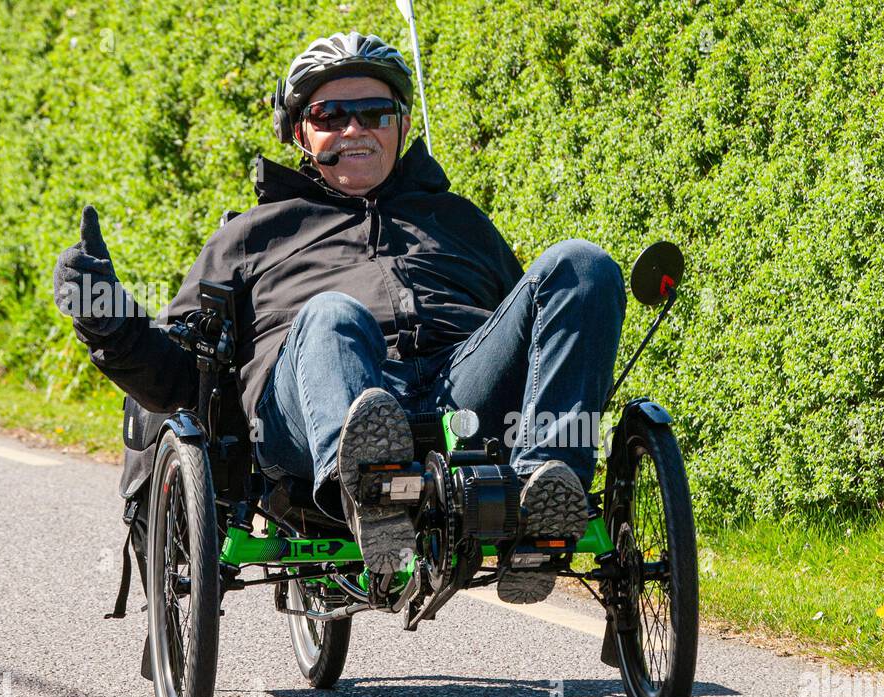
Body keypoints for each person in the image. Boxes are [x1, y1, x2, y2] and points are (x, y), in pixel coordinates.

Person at [53, 31, 626, 604]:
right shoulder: (251, 235)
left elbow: (531, 335)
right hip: (306, 416)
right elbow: (180, 377)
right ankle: (374, 499)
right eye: (332, 115)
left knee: (581, 264)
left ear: (402, 125)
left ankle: (547, 491)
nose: (355, 130)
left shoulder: (458, 221)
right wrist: (106, 317)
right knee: (331, 314)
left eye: (375, 112)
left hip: (460, 402)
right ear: (301, 131)